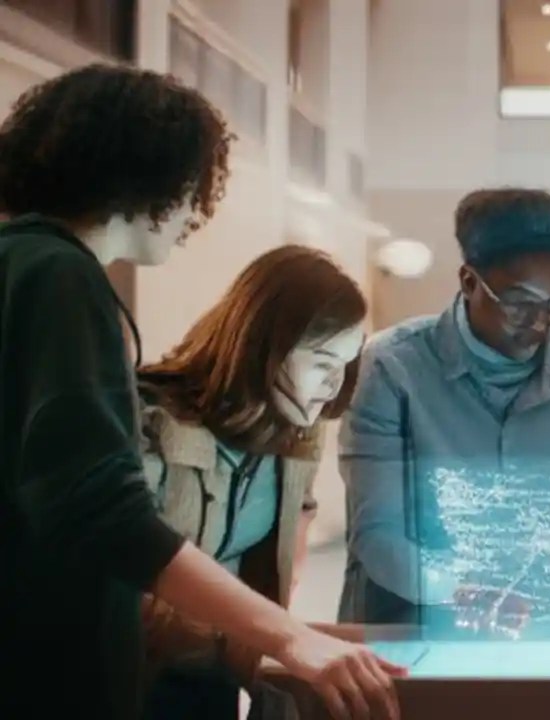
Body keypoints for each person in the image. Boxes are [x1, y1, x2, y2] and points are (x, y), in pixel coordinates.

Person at [0, 65, 401, 720]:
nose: (195, 211)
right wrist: (288, 639)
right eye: (195, 187)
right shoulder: (56, 274)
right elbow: (97, 506)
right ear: (148, 170)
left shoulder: (25, 264)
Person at [339, 188, 550, 626]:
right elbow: (377, 534)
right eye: (518, 304)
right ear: (470, 282)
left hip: (543, 635)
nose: (538, 325)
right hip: (409, 632)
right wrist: (459, 591)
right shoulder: (392, 368)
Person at [135, 245, 367, 719]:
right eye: (323, 362)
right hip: (126, 683)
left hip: (215, 685)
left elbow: (284, 559)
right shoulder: (148, 422)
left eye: (346, 364)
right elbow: (124, 575)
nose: (335, 384)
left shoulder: (298, 435)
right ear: (265, 347)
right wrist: (269, 640)